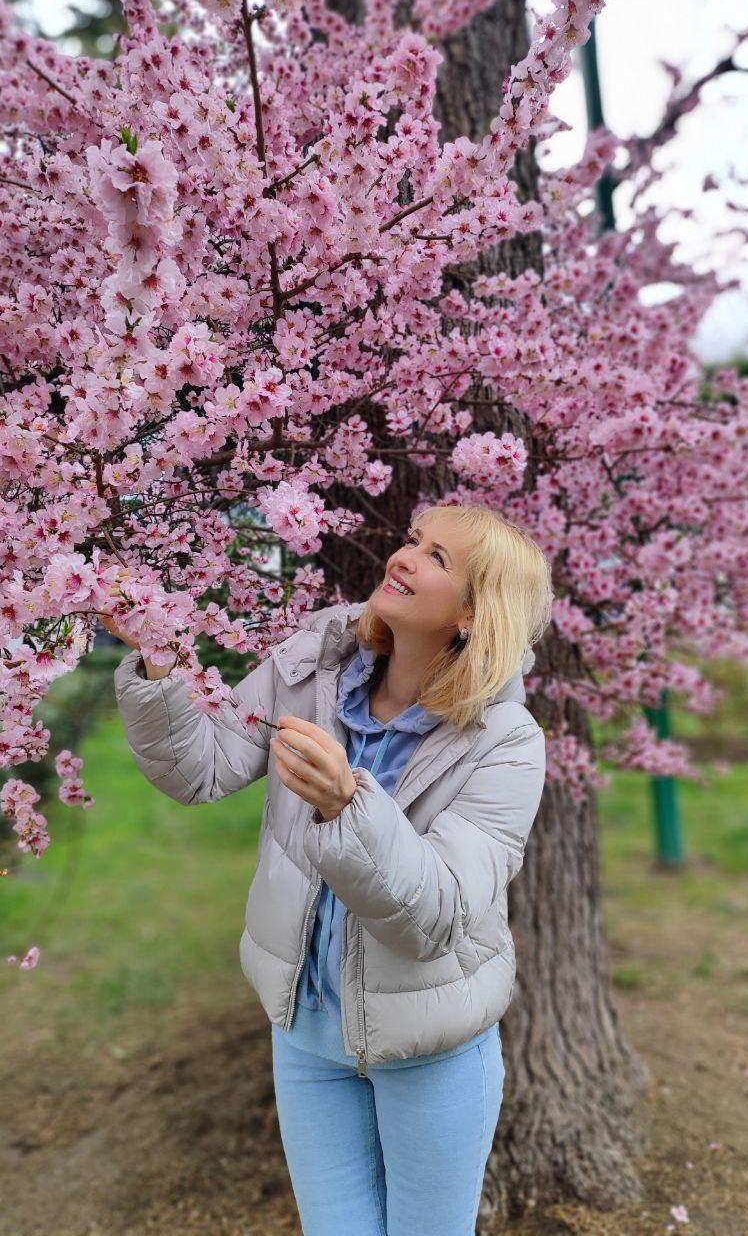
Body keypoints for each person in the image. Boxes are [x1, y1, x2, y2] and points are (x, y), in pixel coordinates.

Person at [108, 501, 552, 1236]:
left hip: (431, 1053)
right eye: (413, 540)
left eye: (437, 558)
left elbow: (435, 919)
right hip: (307, 1037)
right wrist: (161, 661)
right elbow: (200, 769)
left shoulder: (505, 741)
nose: (403, 557)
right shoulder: (315, 660)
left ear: (474, 613)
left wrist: (348, 807)